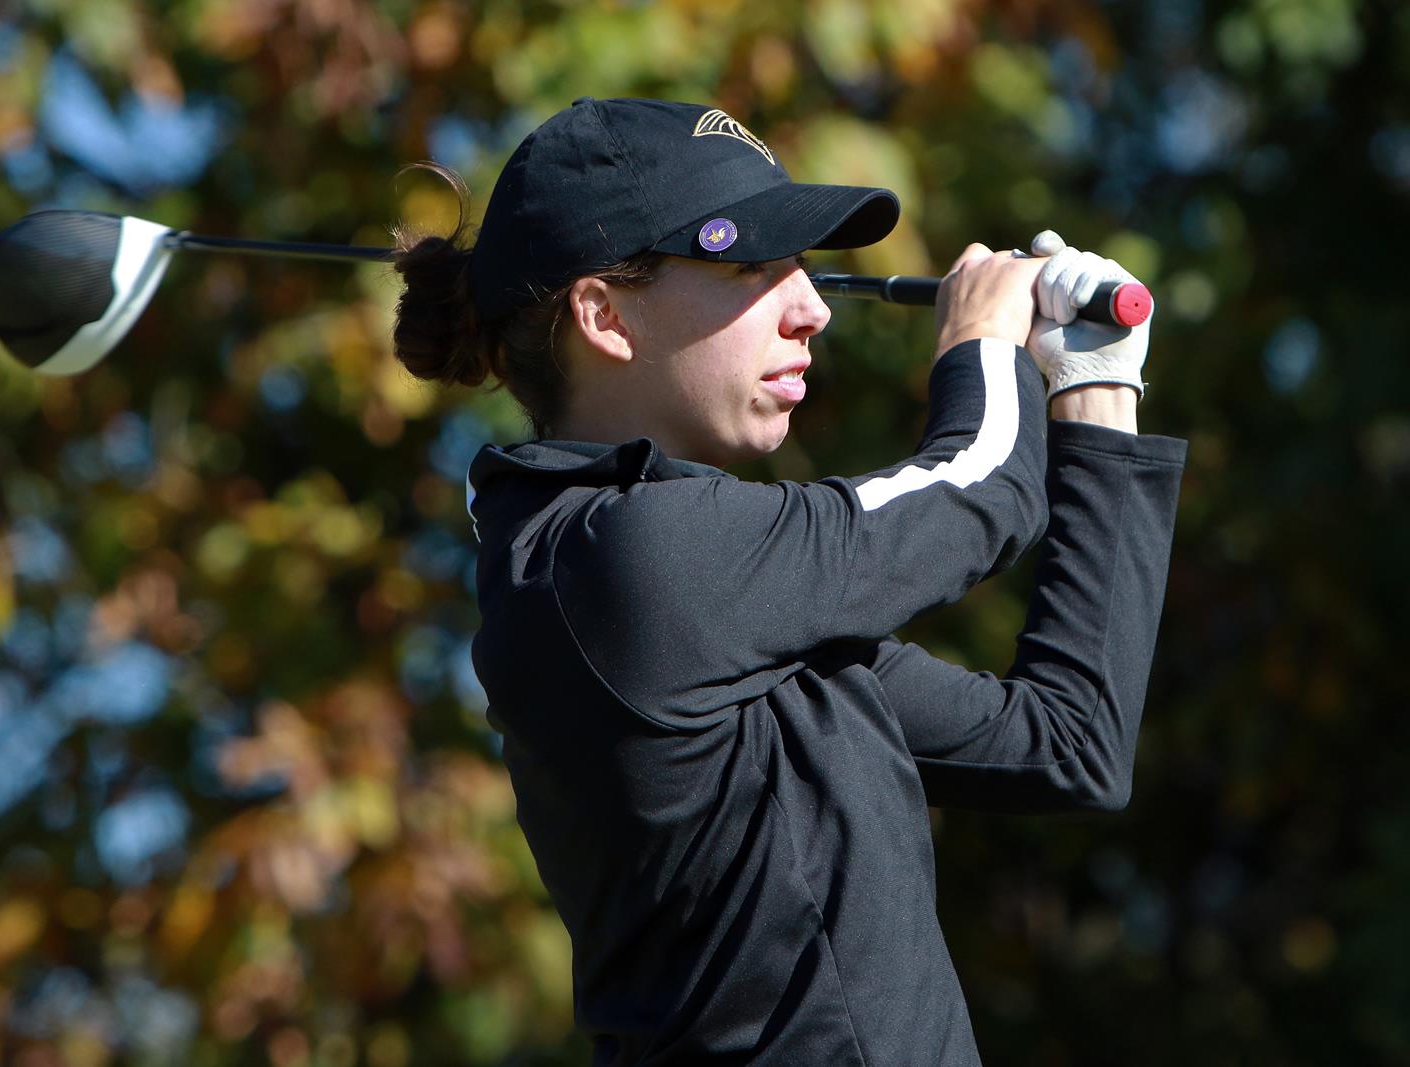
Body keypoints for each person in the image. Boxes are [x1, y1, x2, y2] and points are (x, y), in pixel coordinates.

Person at [390, 97, 1186, 1065]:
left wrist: (1098, 393)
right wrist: (984, 343)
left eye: (801, 269)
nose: (808, 306)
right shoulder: (620, 558)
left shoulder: (719, 603)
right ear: (603, 314)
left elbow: (1068, 742)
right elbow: (975, 491)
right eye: (752, 268)